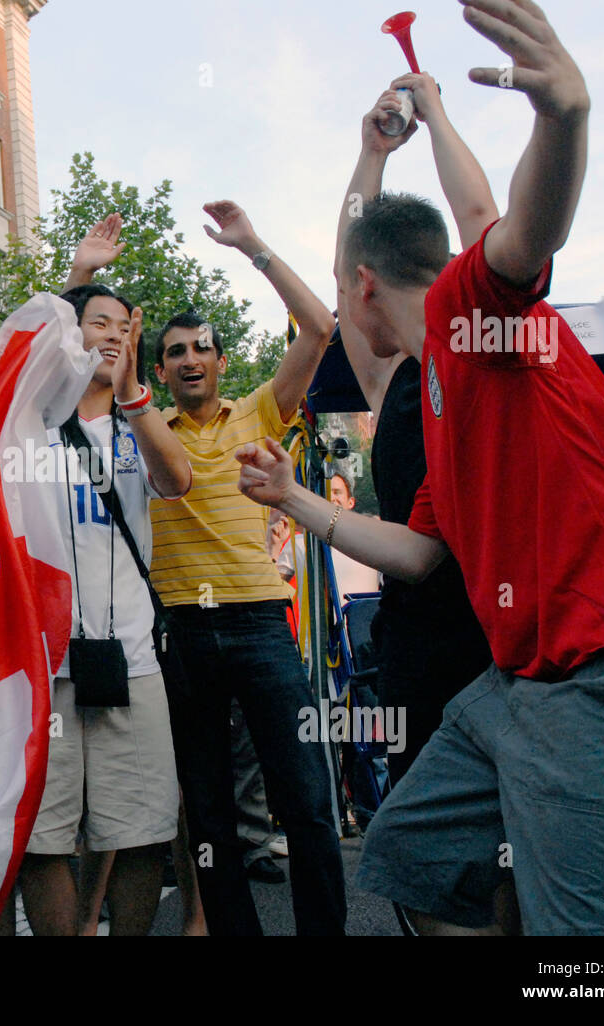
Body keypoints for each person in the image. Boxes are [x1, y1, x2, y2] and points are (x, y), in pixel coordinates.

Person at [237, 0, 604, 935]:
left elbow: (508, 226)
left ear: (363, 285)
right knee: (413, 855)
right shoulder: (437, 401)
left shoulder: (473, 322)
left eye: (345, 278)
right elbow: (416, 554)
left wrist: (561, 114)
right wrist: (292, 496)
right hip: (518, 685)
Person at [143, 200, 345, 936]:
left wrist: (253, 246)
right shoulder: (141, 429)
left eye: (201, 347)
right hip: (181, 632)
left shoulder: (260, 411)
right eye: (175, 352)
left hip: (261, 624)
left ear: (221, 362)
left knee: (306, 800)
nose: (189, 358)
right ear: (160, 370)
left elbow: (319, 327)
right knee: (208, 813)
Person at [329, 73, 494, 785]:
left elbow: (482, 218)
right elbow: (348, 269)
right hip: (417, 637)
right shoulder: (392, 377)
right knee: (422, 825)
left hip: (502, 629)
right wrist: (372, 154)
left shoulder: (485, 349)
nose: (346, 297)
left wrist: (436, 115)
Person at [16, 283, 192, 936]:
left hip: (132, 661)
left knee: (142, 831)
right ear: (70, 333)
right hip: (45, 665)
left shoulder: (139, 423)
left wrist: (133, 395)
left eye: (124, 325)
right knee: (43, 838)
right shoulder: (29, 428)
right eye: (99, 323)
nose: (115, 334)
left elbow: (177, 480)